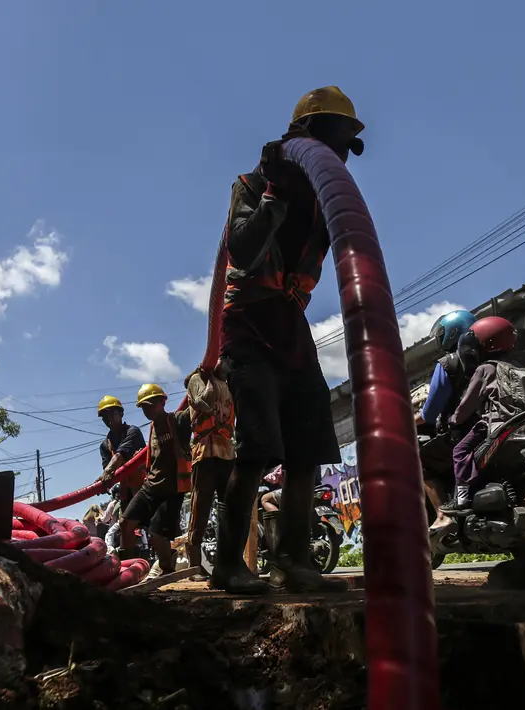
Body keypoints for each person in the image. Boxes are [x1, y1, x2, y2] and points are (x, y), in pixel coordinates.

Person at [212, 86, 365, 594]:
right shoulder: (256, 183)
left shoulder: (329, 198)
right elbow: (241, 248)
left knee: (309, 448)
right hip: (251, 322)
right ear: (307, 135)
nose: (341, 155)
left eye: (346, 147)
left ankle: (294, 562)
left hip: (291, 324)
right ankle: (229, 566)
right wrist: (274, 197)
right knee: (257, 449)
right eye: (337, 141)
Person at [443, 316, 521, 509]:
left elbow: (467, 404)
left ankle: (461, 498)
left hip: (497, 424)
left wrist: (453, 420)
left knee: (459, 451)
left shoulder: (485, 369)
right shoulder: (517, 367)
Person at [414, 310, 479, 534]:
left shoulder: (448, 364)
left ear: (450, 334)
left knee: (422, 460)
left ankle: (443, 515)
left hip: (462, 433)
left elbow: (429, 414)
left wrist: (407, 421)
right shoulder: (487, 359)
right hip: (490, 427)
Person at [118, 384, 193, 577]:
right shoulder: (152, 428)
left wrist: (197, 378)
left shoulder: (176, 421)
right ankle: (130, 572)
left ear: (163, 402)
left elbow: (196, 408)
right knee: (125, 523)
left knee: (156, 533)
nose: (147, 410)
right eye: (143, 407)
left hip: (172, 488)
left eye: (151, 405)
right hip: (150, 486)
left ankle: (167, 567)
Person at [184, 362, 236, 582]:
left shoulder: (230, 384)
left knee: (229, 508)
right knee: (200, 507)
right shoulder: (198, 380)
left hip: (226, 452)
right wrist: (211, 381)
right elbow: (203, 404)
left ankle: (228, 563)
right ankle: (194, 565)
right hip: (204, 452)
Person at [95, 394, 146, 506]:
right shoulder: (105, 445)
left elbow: (120, 455)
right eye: (104, 416)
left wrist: (107, 472)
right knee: (125, 522)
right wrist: (104, 483)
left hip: (145, 488)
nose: (109, 419)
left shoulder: (133, 432)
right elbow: (108, 472)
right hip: (126, 493)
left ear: (121, 413)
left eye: (112, 414)